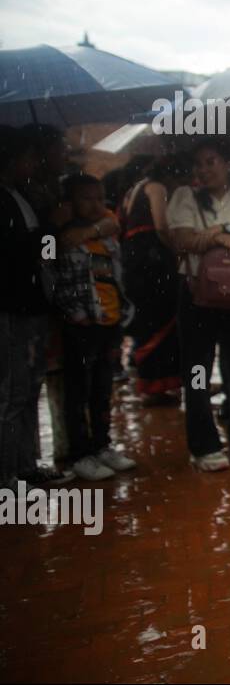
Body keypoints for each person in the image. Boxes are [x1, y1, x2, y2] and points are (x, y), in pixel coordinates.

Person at [166, 138, 230, 471]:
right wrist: (224, 236)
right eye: (198, 164)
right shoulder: (184, 197)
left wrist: (215, 231)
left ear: (227, 164)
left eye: (211, 162)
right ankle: (204, 445)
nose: (204, 169)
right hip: (197, 296)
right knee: (197, 371)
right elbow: (180, 240)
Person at [52, 174, 137, 481]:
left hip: (109, 321)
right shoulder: (62, 237)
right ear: (70, 202)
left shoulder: (105, 231)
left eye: (100, 197)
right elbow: (52, 275)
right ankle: (80, 453)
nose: (96, 204)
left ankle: (102, 444)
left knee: (103, 389)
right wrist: (73, 313)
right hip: (81, 324)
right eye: (86, 198)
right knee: (79, 390)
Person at [1, 128, 71, 488]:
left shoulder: (23, 195)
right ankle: (7, 475)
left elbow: (41, 252)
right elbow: (16, 254)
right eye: (27, 156)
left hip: (33, 303)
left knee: (29, 388)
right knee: (12, 392)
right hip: (13, 306)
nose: (32, 163)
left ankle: (26, 465)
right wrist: (49, 228)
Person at [121, 155, 188, 404]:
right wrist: (177, 251)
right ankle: (158, 382)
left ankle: (157, 381)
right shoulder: (157, 187)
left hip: (137, 260)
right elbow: (161, 225)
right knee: (162, 319)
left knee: (150, 320)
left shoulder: (135, 187)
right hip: (153, 261)